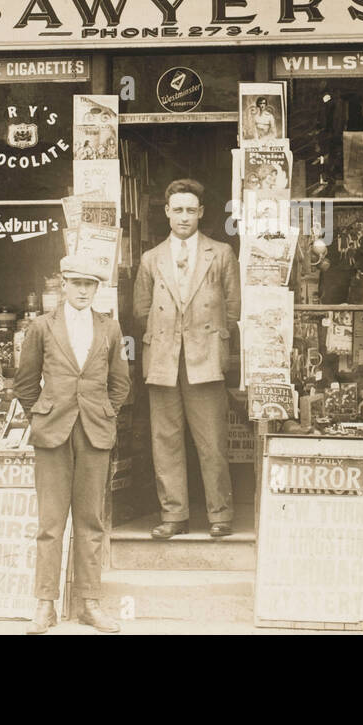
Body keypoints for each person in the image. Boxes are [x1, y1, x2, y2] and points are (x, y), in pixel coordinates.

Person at [14, 255, 131, 635]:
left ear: (97, 289)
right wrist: (40, 413)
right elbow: (26, 381)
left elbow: (120, 382)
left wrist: (105, 411)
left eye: (90, 284)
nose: (83, 290)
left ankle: (89, 604)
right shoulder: (41, 327)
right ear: (62, 283)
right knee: (50, 522)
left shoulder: (110, 328)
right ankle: (44, 605)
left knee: (90, 521)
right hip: (53, 431)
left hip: (94, 430)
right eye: (76, 283)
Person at [134, 179, 241, 539]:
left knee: (212, 440)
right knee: (165, 440)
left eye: (190, 210)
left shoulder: (221, 253)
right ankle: (174, 515)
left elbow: (233, 307)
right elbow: (141, 310)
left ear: (201, 213)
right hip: (163, 357)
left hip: (205, 356)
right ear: (166, 212)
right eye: (177, 209)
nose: (183, 216)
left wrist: (211, 340)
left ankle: (220, 513)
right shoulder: (150, 259)